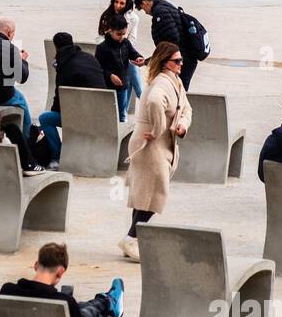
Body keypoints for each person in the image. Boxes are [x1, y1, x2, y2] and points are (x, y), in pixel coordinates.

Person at [119, 42, 192, 260]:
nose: (181, 64)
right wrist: (158, 127)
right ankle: (131, 238)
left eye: (181, 60)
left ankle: (133, 240)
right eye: (176, 61)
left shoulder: (175, 81)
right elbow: (152, 101)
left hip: (158, 144)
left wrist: (182, 126)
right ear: (165, 62)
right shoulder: (161, 83)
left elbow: (187, 108)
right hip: (149, 143)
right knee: (154, 194)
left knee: (145, 194)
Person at [0, 243, 124, 317]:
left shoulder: (7, 290)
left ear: (36, 265)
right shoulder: (64, 302)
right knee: (85, 314)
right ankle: (107, 301)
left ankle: (103, 301)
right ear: (60, 272)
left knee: (77, 309)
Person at [37, 32, 107, 167]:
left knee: (45, 118)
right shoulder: (89, 58)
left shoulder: (63, 65)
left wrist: (54, 111)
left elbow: (59, 96)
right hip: (102, 114)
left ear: (56, 47)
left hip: (80, 118)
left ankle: (58, 156)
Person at [132, 0, 207, 90]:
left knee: (174, 95)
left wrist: (148, 62)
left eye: (142, 8)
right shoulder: (167, 6)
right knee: (178, 94)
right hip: (185, 60)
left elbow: (169, 46)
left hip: (179, 62)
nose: (145, 12)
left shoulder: (160, 13)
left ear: (145, 2)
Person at [97, 0, 144, 103]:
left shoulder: (133, 19)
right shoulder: (106, 16)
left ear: (127, 4)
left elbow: (132, 39)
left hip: (125, 52)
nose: (118, 5)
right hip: (109, 52)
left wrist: (124, 46)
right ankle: (142, 101)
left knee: (130, 68)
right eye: (116, 2)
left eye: (122, 3)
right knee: (130, 72)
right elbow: (99, 37)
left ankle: (139, 100)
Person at [96, 14, 145, 123]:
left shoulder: (126, 43)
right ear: (110, 30)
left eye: (124, 34)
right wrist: (110, 76)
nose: (122, 37)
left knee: (122, 115)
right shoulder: (102, 48)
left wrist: (138, 58)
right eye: (119, 34)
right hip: (107, 88)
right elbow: (98, 68)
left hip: (123, 86)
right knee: (109, 116)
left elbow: (133, 53)